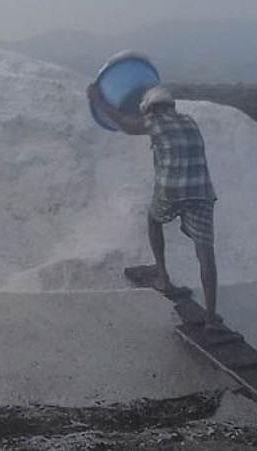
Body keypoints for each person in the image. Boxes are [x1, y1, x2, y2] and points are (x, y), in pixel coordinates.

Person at [87, 83, 222, 330]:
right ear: (171, 105)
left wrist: (99, 101)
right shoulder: (190, 121)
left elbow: (125, 123)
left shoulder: (156, 122)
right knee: (205, 252)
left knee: (153, 220)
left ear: (150, 108)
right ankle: (211, 318)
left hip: (172, 189)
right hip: (202, 192)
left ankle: (163, 277)